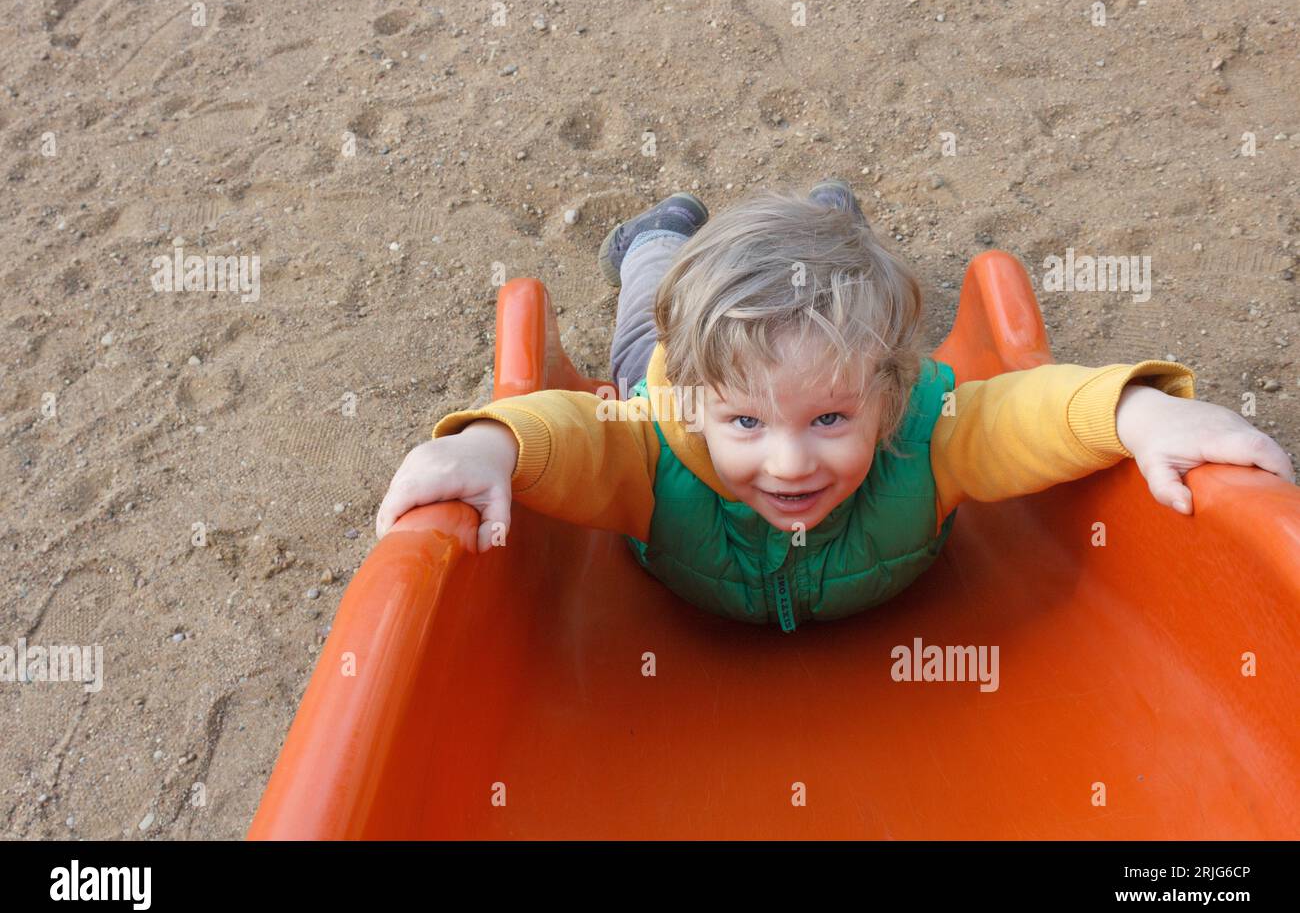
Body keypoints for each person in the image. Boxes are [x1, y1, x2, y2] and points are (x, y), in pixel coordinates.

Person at [375, 181, 1294, 632]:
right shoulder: (660, 432)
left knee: (827, 279)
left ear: (887, 397)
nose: (788, 464)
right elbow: (571, 437)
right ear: (702, 410)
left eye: (828, 420)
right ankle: (658, 234)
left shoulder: (918, 433)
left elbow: (1024, 412)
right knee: (649, 305)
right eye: (746, 425)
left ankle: (829, 219)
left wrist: (1138, 413)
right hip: (669, 355)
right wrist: (494, 443)